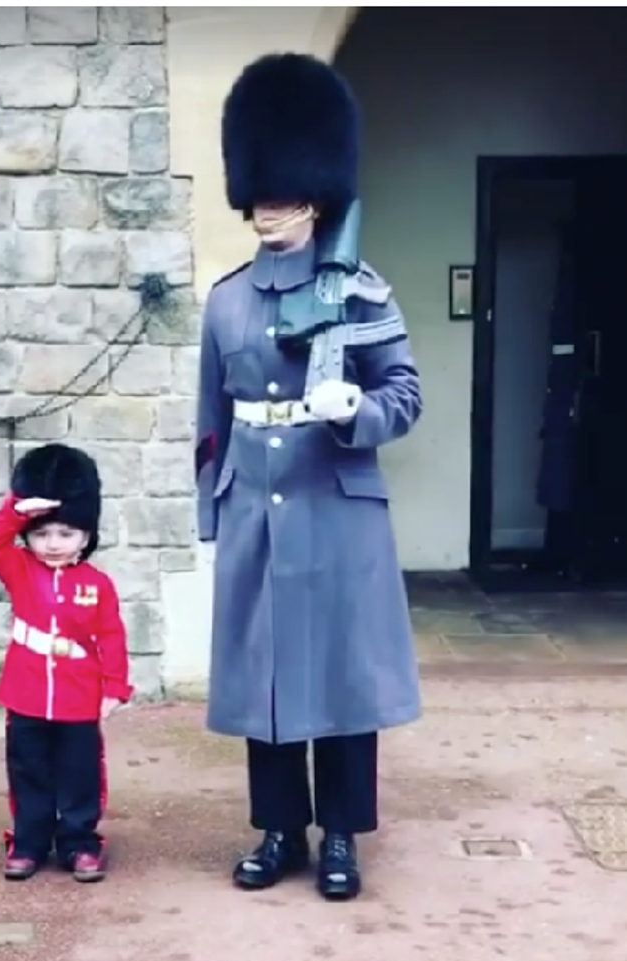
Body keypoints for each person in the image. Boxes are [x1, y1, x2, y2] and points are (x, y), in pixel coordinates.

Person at [196, 53, 423, 902]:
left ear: (316, 195)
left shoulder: (361, 292)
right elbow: (210, 421)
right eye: (259, 194)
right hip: (256, 507)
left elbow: (405, 396)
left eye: (284, 195)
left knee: (340, 681)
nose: (268, 210)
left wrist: (350, 410)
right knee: (268, 681)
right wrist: (212, 516)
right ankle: (279, 826)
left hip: (337, 507)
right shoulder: (226, 301)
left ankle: (341, 838)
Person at [0, 443, 133, 883]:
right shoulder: (19, 569)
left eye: (65, 534)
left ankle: (79, 841)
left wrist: (115, 686)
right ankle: (28, 841)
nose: (52, 544)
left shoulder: (97, 584)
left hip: (78, 695)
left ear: (85, 536)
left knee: (80, 775)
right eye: (43, 534)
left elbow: (110, 636)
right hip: (26, 694)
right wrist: (19, 510)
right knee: (28, 771)